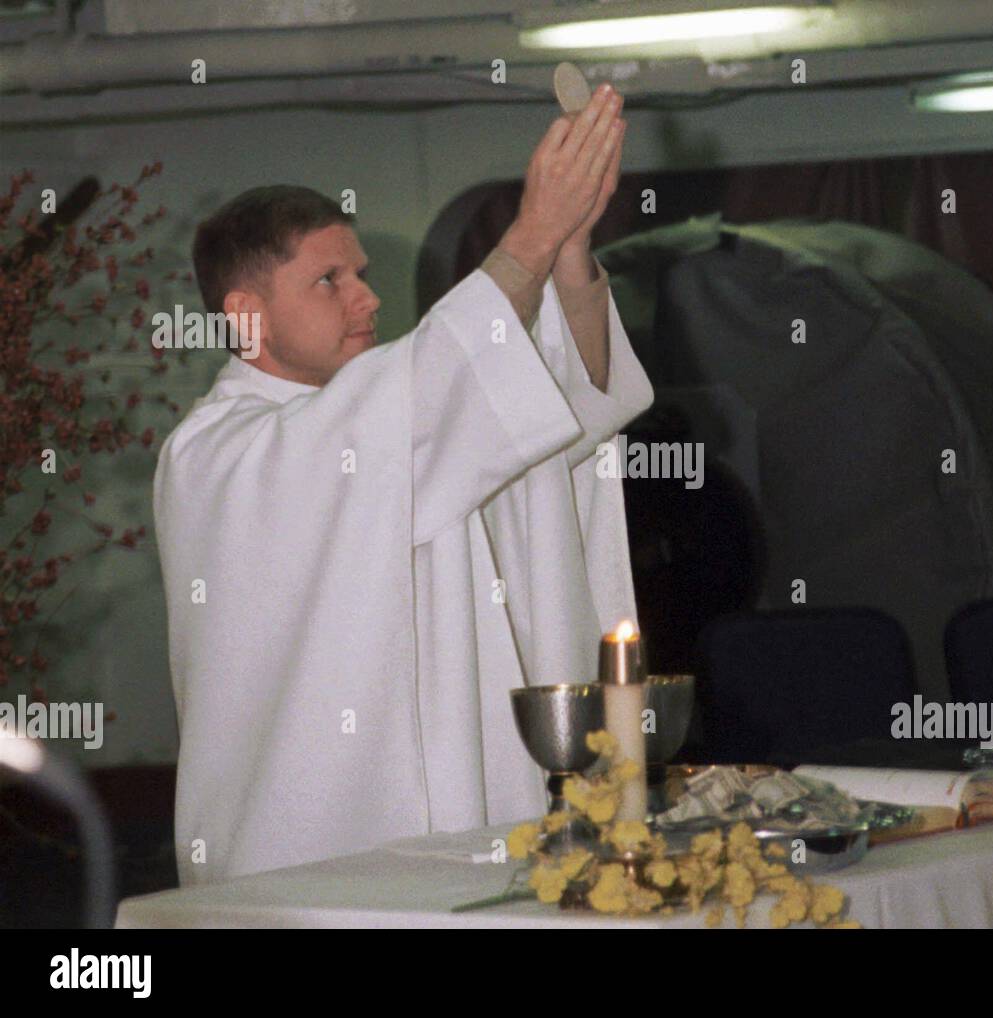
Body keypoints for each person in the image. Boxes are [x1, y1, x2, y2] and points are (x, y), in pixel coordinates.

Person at [153, 85, 652, 885]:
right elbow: (414, 399)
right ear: (245, 316)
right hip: (305, 861)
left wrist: (566, 253)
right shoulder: (216, 455)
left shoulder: (400, 416)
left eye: (361, 272)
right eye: (330, 280)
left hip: (482, 817)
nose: (368, 296)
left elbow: (567, 410)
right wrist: (529, 231)